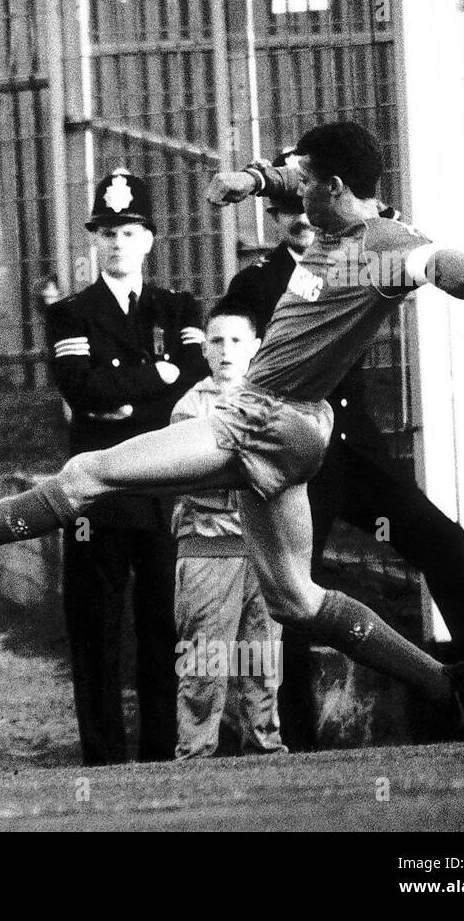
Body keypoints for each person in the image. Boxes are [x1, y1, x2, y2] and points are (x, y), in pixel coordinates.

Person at [0, 121, 464, 755]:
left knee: (84, 475)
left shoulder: (383, 247)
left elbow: (440, 261)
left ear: (336, 190)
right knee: (296, 601)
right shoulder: (335, 218)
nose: (297, 194)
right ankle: (448, 683)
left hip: (258, 418)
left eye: (309, 184)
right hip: (298, 430)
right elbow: (285, 175)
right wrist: (250, 180)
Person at [225, 152, 464, 739]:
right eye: (291, 207)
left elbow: (432, 259)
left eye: (310, 197)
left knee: (441, 539)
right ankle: (294, 737)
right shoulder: (257, 282)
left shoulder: (369, 246)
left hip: (348, 442)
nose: (303, 218)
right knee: (294, 587)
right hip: (288, 446)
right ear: (282, 215)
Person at [45, 168, 208, 764]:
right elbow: (83, 391)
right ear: (94, 239)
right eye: (108, 231)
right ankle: (104, 757)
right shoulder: (72, 313)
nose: (118, 242)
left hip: (166, 485)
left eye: (130, 231)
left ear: (150, 240)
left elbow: (196, 378)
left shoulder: (177, 306)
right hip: (101, 492)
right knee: (95, 628)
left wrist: (130, 392)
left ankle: (162, 752)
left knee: (164, 623)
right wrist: (155, 379)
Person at [171, 301, 286, 759]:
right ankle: (195, 754)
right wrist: (254, 471)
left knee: (262, 658)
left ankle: (267, 747)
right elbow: (196, 479)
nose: (226, 351)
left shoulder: (272, 400)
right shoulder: (190, 407)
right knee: (204, 660)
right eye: (216, 341)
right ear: (204, 348)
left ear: (256, 347)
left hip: (265, 546)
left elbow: (290, 467)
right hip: (208, 546)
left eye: (237, 341)